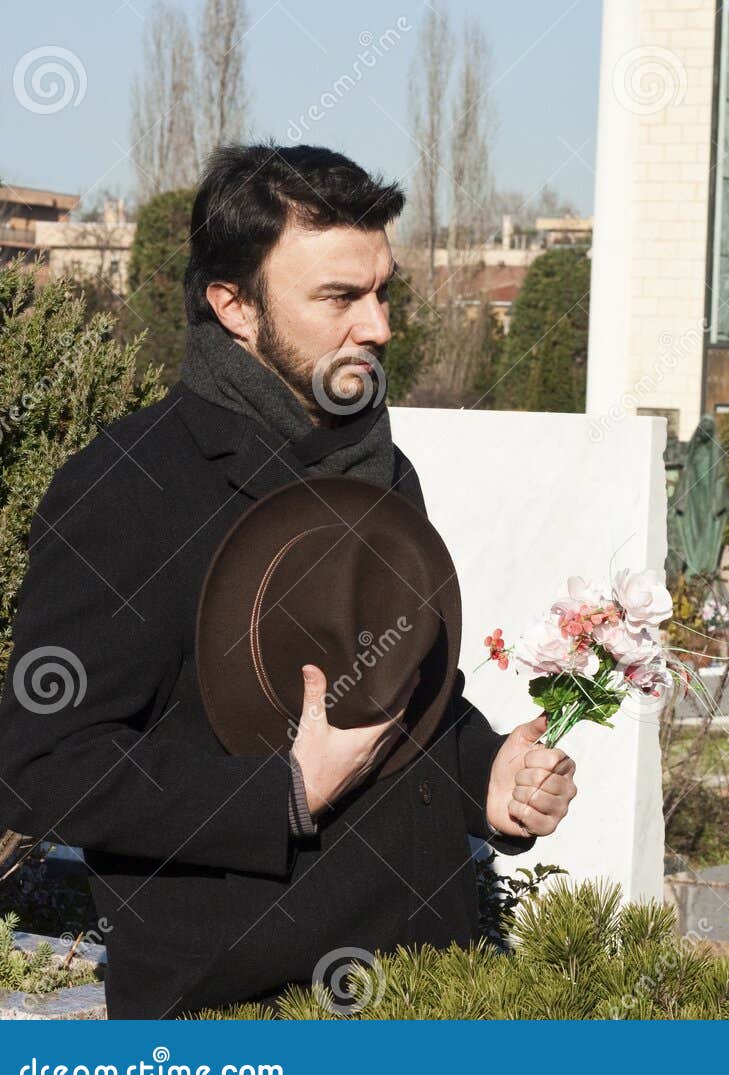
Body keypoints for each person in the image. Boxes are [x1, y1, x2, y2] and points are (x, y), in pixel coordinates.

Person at [0, 143, 577, 1018]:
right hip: (241, 1008)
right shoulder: (131, 486)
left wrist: (488, 777)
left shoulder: (382, 470)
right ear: (233, 305)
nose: (377, 325)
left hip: (440, 985)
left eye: (382, 291)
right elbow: (42, 760)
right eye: (339, 298)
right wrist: (280, 794)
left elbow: (410, 701)